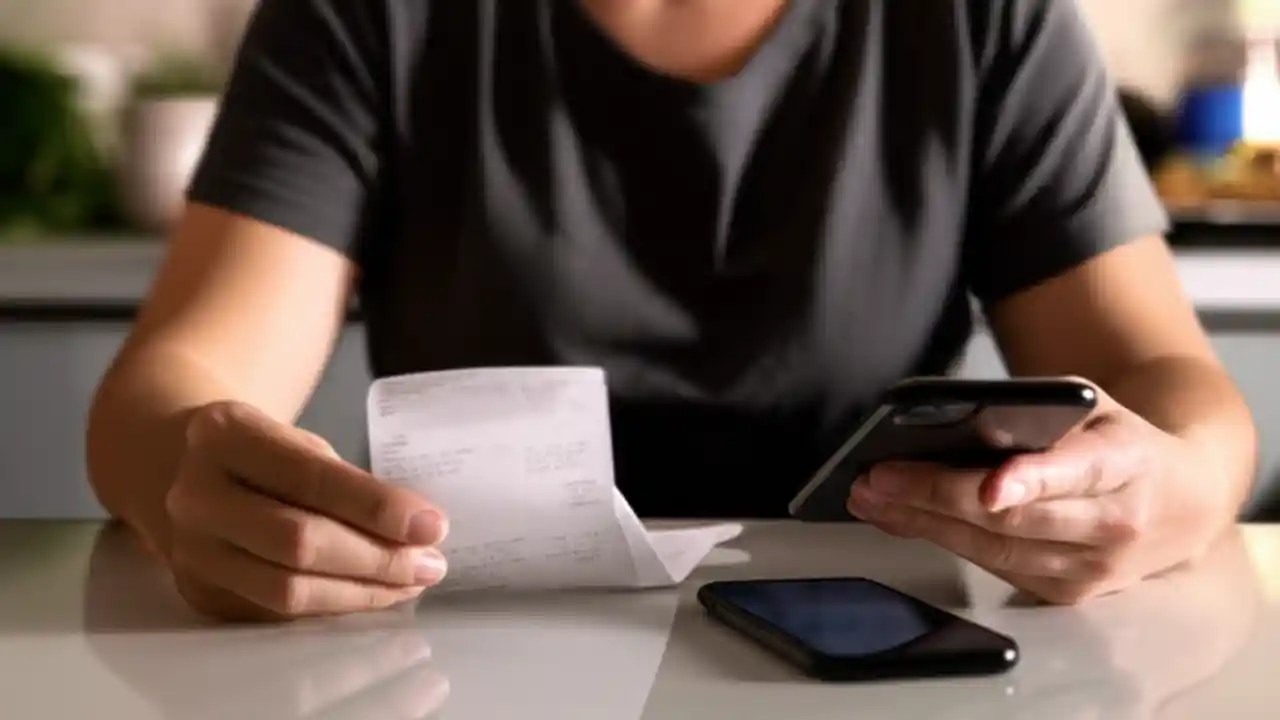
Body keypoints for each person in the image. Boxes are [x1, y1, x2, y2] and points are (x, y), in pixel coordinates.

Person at [87, 0, 1258, 621]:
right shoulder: (366, 18)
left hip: (880, 653)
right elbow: (173, 386)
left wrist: (1181, 485)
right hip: (473, 663)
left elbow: (1164, 382)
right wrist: (194, 478)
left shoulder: (983, 20)